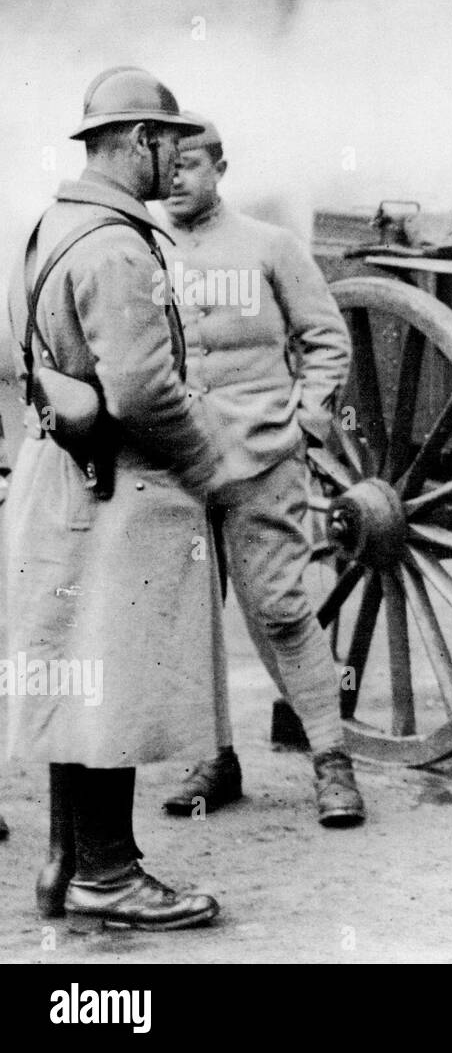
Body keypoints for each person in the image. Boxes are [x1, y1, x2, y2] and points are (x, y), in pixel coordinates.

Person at [3, 67, 224, 929]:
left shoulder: (53, 224)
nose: (180, 159)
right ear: (139, 141)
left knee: (72, 670)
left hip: (58, 477)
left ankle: (65, 865)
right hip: (116, 490)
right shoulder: (119, 245)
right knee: (117, 678)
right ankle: (109, 872)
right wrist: (208, 468)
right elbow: (145, 394)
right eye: (172, 143)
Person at [159, 115, 363, 827]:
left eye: (192, 162)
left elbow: (326, 339)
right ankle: (214, 759)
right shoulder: (140, 252)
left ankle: (331, 763)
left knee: (281, 611)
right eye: (168, 163)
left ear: (220, 167)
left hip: (262, 462)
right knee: (188, 622)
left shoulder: (272, 247)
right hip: (175, 469)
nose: (178, 175)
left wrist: (306, 421)